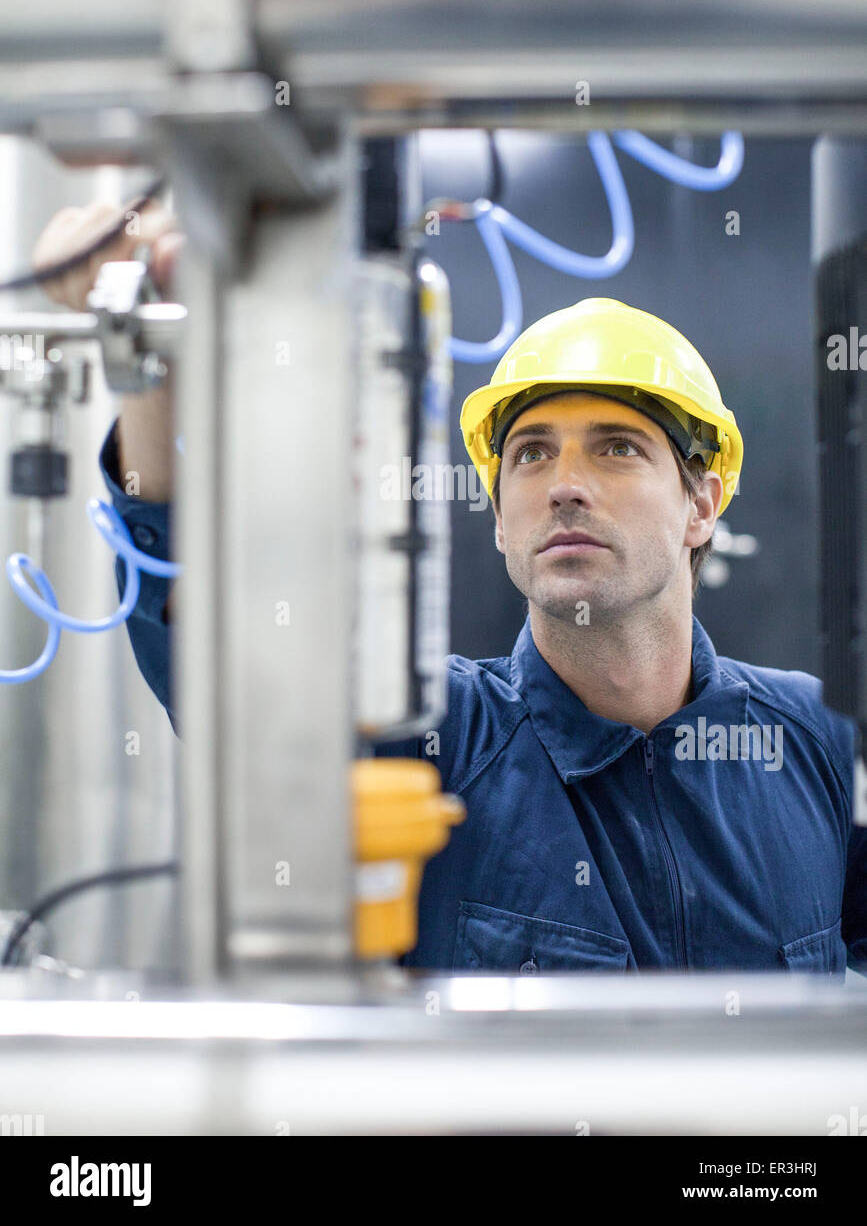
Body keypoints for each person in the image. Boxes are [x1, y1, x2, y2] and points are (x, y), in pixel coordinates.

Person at [33, 200, 867, 977]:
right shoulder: (425, 739)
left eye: (615, 448)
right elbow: (210, 658)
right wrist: (151, 365)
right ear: (500, 517)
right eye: (531, 454)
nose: (564, 485)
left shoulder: (812, 738)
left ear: (701, 504)